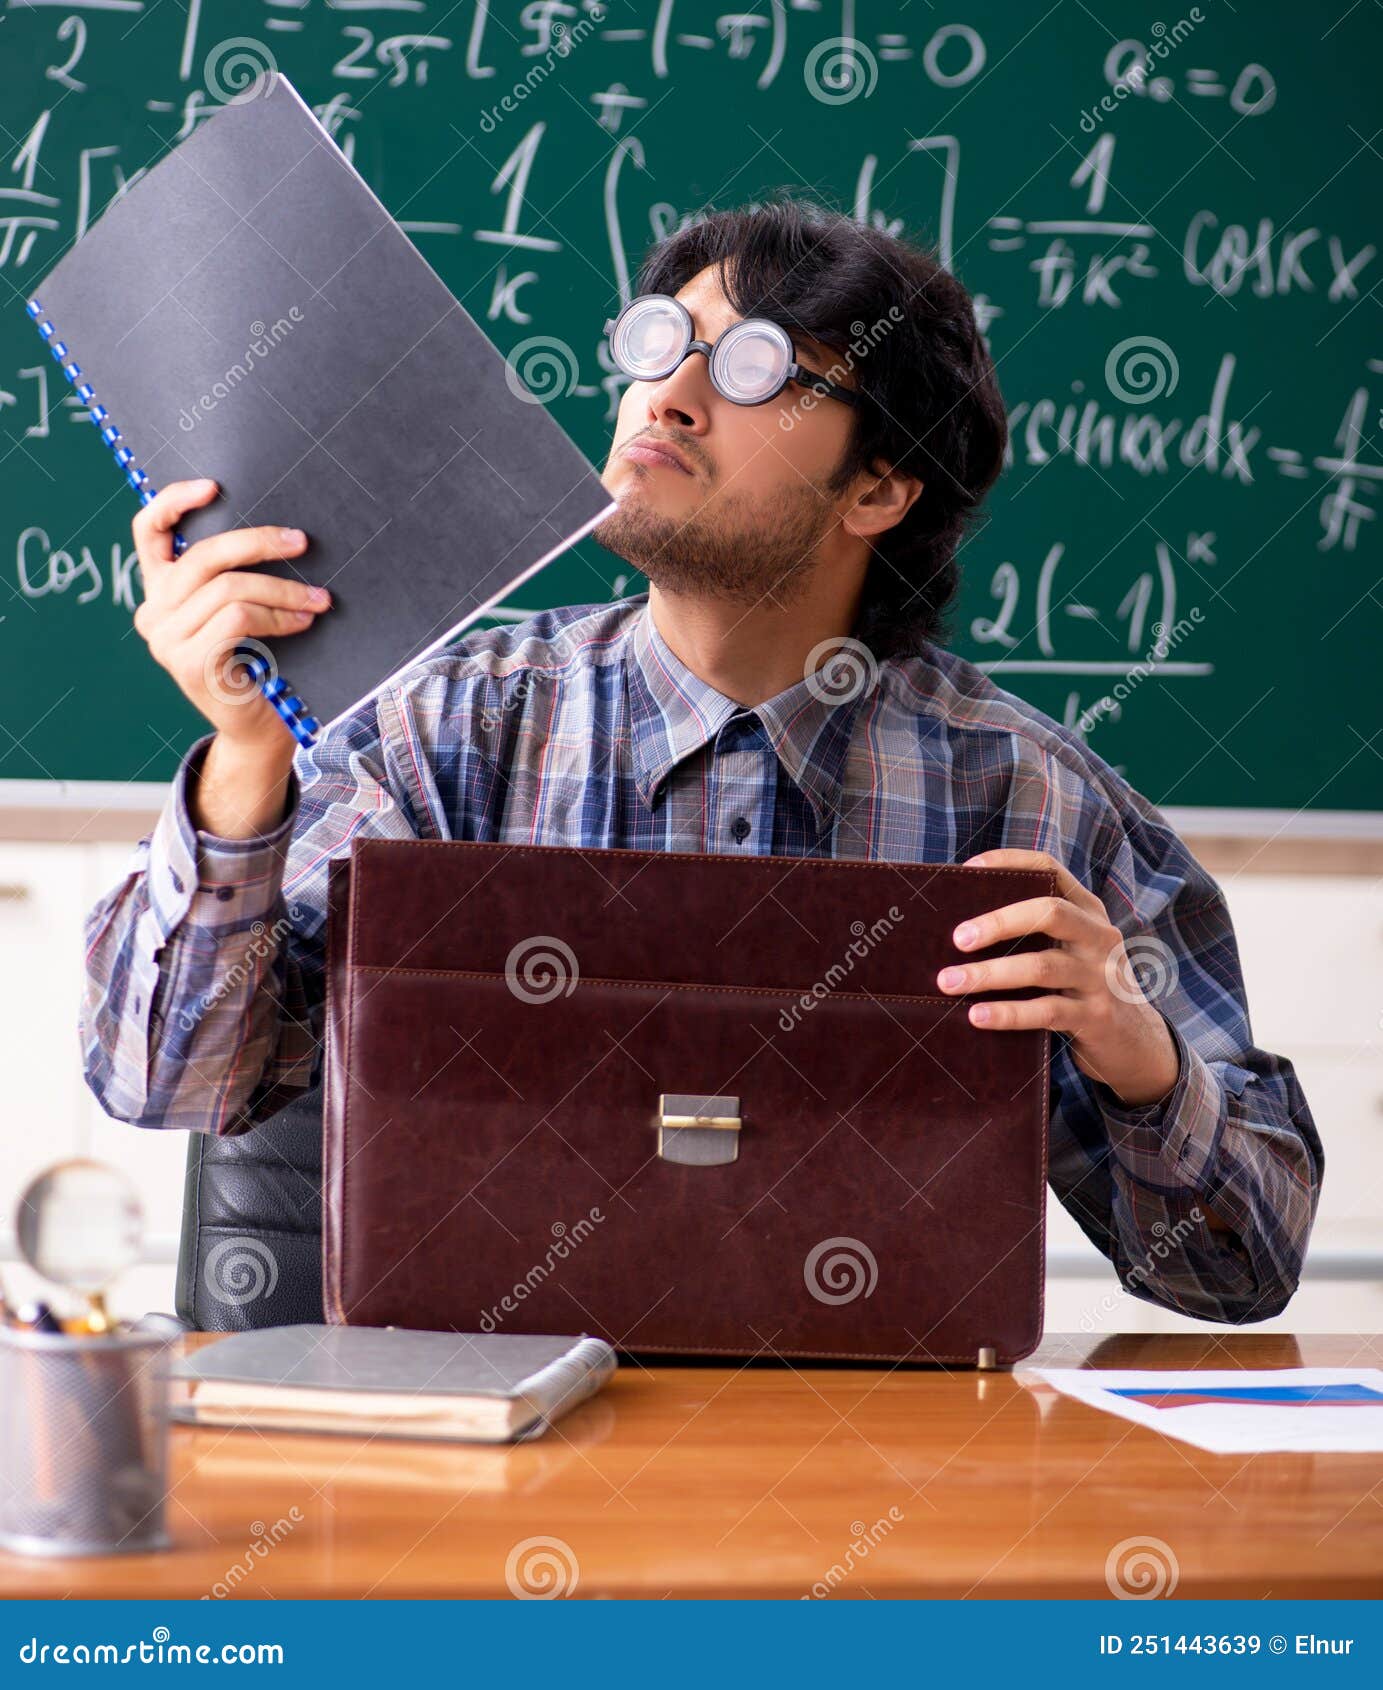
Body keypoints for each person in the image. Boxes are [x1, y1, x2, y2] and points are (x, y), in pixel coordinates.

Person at [81, 195, 1321, 1325]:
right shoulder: (444, 731)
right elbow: (165, 1079)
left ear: (880, 489)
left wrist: (1134, 1051)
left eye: (754, 368)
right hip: (473, 1469)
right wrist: (245, 758)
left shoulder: (1030, 799)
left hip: (879, 1490)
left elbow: (1241, 1272)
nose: (668, 396)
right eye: (659, 344)